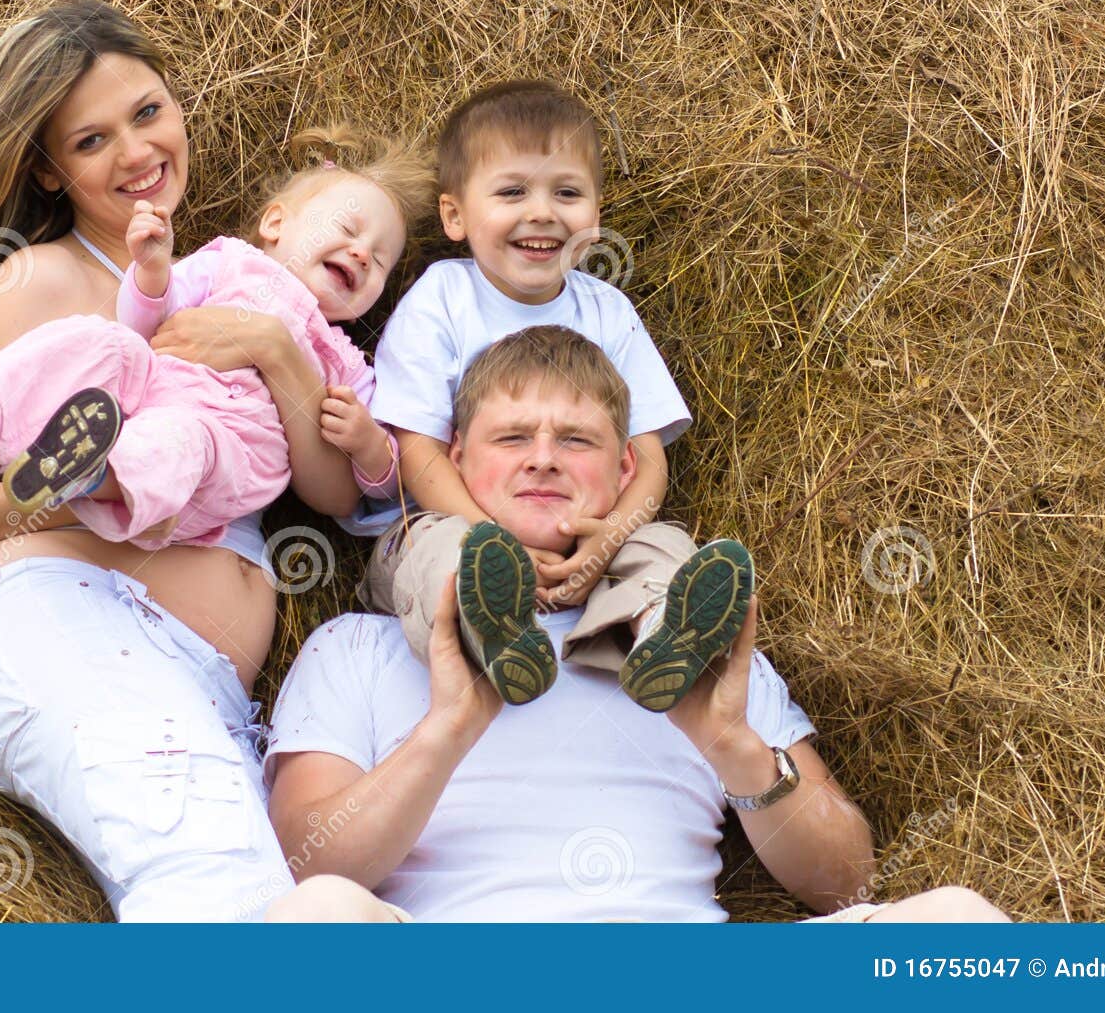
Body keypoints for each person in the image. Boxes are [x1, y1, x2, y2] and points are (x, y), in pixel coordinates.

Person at [0, 0, 407, 920]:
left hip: (193, 687)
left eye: (147, 112)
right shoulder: (43, 278)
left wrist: (275, 353)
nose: (138, 152)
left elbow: (343, 495)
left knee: (259, 903)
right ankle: (23, 441)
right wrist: (85, 495)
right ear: (53, 171)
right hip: (81, 628)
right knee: (237, 904)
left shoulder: (223, 277)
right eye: (93, 140)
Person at [263, 327, 1011, 923]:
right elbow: (305, 866)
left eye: (577, 440)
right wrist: (448, 730)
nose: (545, 460)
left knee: (955, 921)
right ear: (456, 460)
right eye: (513, 437)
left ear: (627, 471)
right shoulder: (356, 647)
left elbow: (846, 883)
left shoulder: (696, 633)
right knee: (315, 916)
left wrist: (733, 745)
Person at [362, 80, 752, 712]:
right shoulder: (442, 299)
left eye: (566, 193)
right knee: (433, 555)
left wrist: (607, 542)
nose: (542, 212)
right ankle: (495, 628)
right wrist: (492, 542)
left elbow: (647, 461)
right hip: (453, 520)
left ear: (594, 216)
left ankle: (662, 635)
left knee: (665, 550)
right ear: (455, 216)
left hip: (586, 530)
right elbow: (419, 453)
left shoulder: (608, 310)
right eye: (512, 192)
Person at [0, 120, 427, 549]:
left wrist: (368, 446)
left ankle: (84, 475)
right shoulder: (225, 262)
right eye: (348, 230)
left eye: (380, 261)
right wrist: (150, 272)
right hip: (153, 385)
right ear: (276, 224)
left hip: (231, 446)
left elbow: (379, 486)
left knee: (182, 440)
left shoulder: (342, 359)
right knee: (102, 340)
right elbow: (146, 324)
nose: (361, 254)